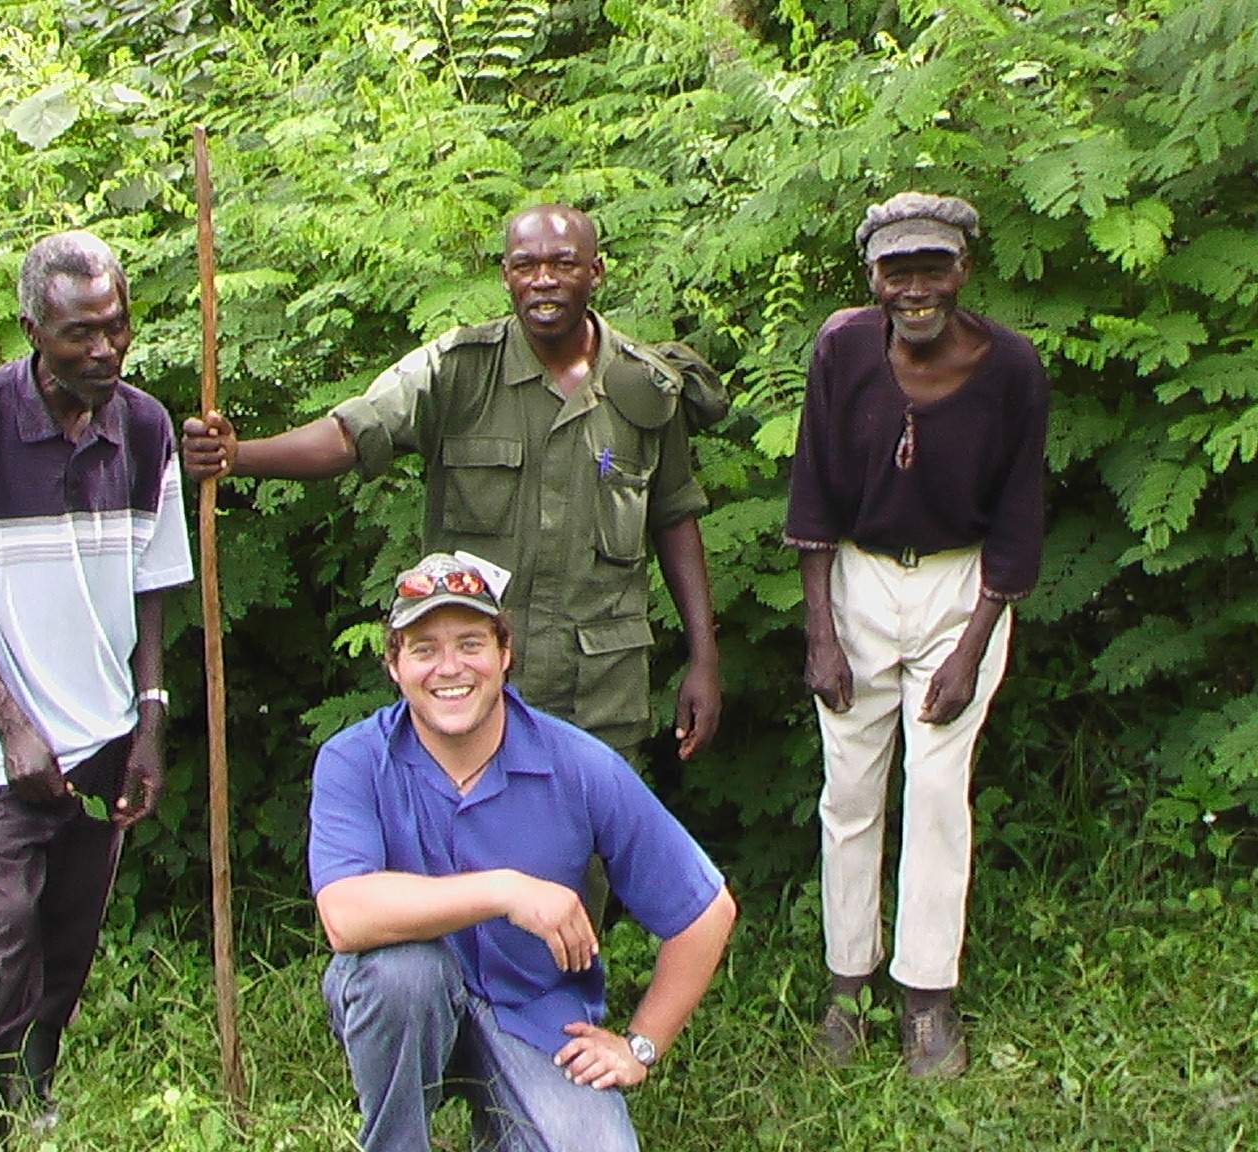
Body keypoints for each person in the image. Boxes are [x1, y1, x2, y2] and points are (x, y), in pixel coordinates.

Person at [182, 203, 725, 767]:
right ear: (505, 274)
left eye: (563, 263)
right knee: (465, 846)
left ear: (596, 271)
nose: (543, 280)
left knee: (587, 850)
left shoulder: (643, 387)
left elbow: (674, 518)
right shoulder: (457, 370)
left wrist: (704, 659)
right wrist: (238, 456)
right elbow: (352, 433)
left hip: (600, 696)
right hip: (468, 685)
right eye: (525, 265)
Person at [0, 230, 193, 1148]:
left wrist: (149, 721)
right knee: (11, 921)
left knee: (70, 928)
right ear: (33, 329)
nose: (103, 349)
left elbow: (155, 585)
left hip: (104, 729)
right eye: (79, 335)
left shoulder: (144, 427)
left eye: (116, 327)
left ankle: (35, 1084)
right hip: (0, 745)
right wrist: (14, 725)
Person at [310, 552, 736, 1151]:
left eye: (470, 643)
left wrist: (640, 1045)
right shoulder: (352, 760)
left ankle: (506, 1120)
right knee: (403, 977)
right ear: (394, 665)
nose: (449, 667)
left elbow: (707, 910)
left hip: (538, 1014)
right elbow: (344, 916)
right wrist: (505, 890)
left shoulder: (578, 764)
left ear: (505, 653)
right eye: (424, 648)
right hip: (407, 1001)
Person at [784, 192, 1048, 1078]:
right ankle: (847, 988)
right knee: (849, 790)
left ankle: (927, 998)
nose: (917, 289)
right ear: (873, 277)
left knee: (937, 795)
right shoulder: (842, 348)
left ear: (964, 269)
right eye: (898, 271)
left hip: (959, 590)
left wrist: (974, 643)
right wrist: (821, 631)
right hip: (858, 580)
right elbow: (814, 490)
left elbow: (1018, 516)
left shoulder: (1012, 367)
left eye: (933, 268)